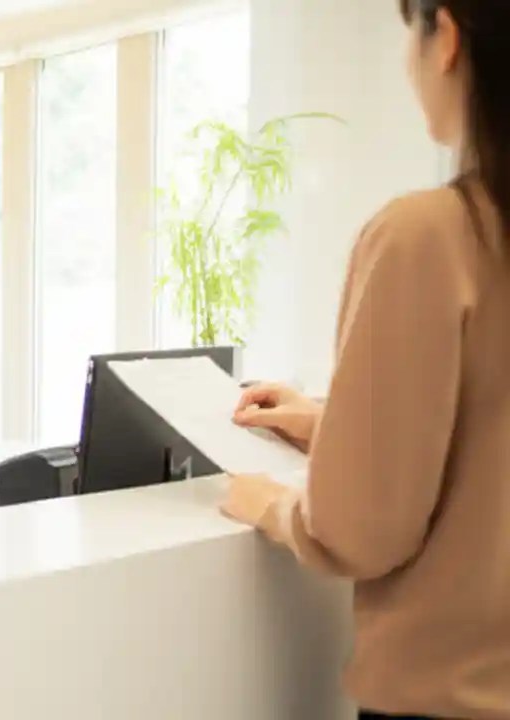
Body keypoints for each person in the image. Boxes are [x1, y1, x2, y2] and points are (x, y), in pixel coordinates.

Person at [220, 2, 510, 718]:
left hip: (448, 702)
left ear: (444, 36)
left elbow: (360, 530)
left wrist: (272, 506)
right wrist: (329, 425)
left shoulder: (430, 236)